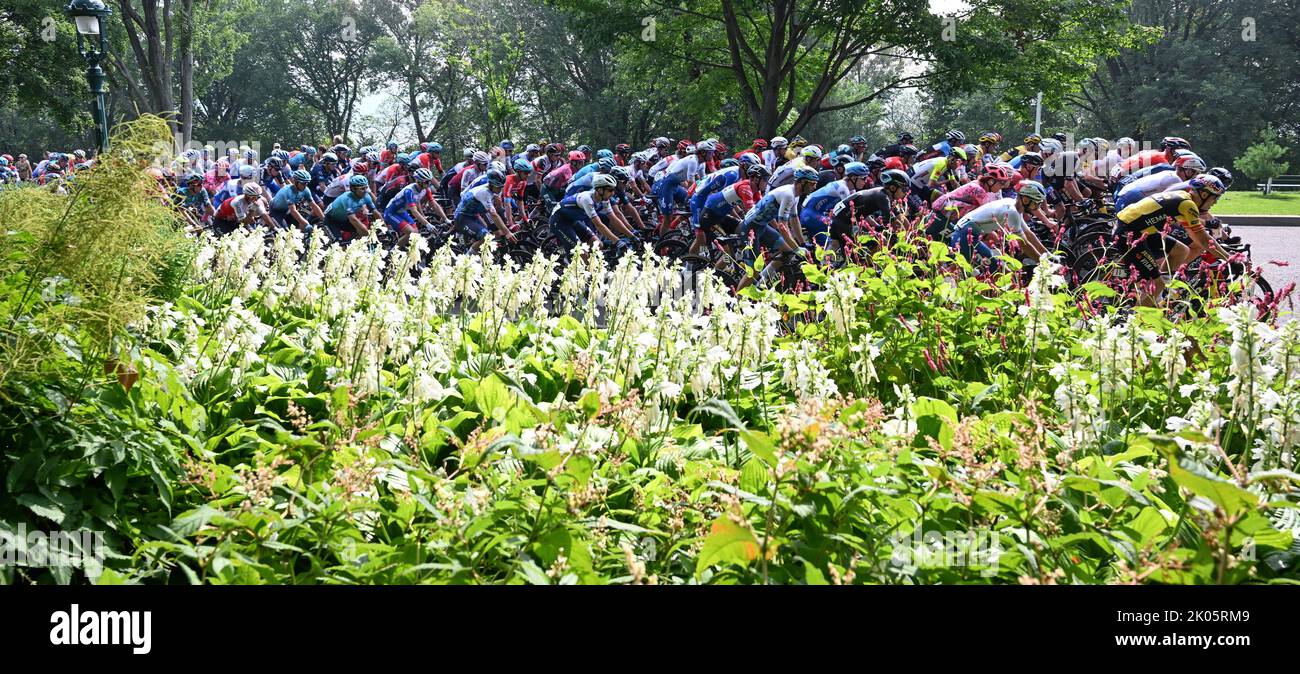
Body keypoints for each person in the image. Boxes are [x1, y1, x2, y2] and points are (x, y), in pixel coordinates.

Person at [1114, 175, 1227, 306]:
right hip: (1130, 234)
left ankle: (1161, 295)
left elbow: (1193, 228)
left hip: (1139, 229)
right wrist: (1229, 257)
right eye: (1215, 198)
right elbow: (1202, 238)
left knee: (1181, 251)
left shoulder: (1183, 197)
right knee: (1158, 283)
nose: (1215, 202)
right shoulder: (1187, 205)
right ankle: (1134, 321)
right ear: (1203, 194)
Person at [736, 167, 819, 290]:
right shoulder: (788, 194)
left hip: (761, 227)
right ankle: (736, 304)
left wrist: (803, 243)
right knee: (753, 270)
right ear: (803, 182)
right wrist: (796, 248)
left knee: (787, 253)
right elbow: (782, 226)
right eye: (812, 184)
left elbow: (794, 220)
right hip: (749, 229)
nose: (814, 187)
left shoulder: (795, 195)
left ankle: (760, 282)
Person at [950, 180, 1051, 266]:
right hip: (964, 236)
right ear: (1025, 200)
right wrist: (1045, 264)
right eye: (1036, 204)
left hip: (969, 234)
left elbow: (1029, 234)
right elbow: (1023, 244)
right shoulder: (1011, 212)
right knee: (1000, 274)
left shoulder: (1013, 205)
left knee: (998, 271)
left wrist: (1049, 255)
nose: (1037, 208)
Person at [925, 162, 1014, 240]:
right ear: (990, 181)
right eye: (1001, 183)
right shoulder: (979, 190)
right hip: (941, 219)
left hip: (943, 217)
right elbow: (989, 215)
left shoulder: (978, 185)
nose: (1002, 186)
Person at [799, 161, 873, 247]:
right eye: (863, 178)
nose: (866, 181)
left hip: (815, 213)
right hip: (810, 214)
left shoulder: (851, 189)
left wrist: (876, 225)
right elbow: (853, 213)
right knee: (837, 234)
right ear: (853, 178)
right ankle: (825, 259)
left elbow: (861, 211)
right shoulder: (843, 188)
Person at [549, 173, 625, 250]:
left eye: (613, 190)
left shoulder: (604, 200)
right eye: (610, 190)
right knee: (580, 251)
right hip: (559, 220)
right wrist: (617, 241)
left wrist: (632, 236)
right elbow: (599, 224)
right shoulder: (587, 199)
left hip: (573, 220)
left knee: (598, 246)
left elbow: (614, 218)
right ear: (600, 190)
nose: (613, 193)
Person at [454, 170, 516, 250]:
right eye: (498, 187)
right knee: (487, 238)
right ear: (491, 184)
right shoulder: (484, 192)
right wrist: (507, 232)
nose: (500, 189)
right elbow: (493, 214)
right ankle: (467, 259)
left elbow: (496, 210)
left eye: (501, 187)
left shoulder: (492, 191)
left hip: (474, 216)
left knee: (490, 237)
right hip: (462, 218)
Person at [323, 175, 379, 242]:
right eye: (362, 188)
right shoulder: (347, 199)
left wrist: (386, 229)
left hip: (343, 220)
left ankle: (354, 247)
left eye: (366, 188)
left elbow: (376, 212)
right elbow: (352, 219)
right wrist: (366, 232)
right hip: (331, 221)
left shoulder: (366, 196)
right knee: (338, 244)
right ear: (353, 189)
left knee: (361, 233)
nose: (365, 191)